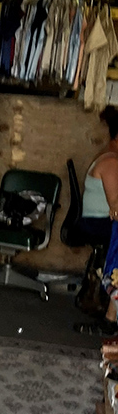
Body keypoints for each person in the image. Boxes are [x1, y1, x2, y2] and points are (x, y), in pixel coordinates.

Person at [82, 106, 118, 334]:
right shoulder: (112, 162)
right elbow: (116, 207)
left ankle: (111, 317)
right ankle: (110, 317)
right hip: (98, 222)